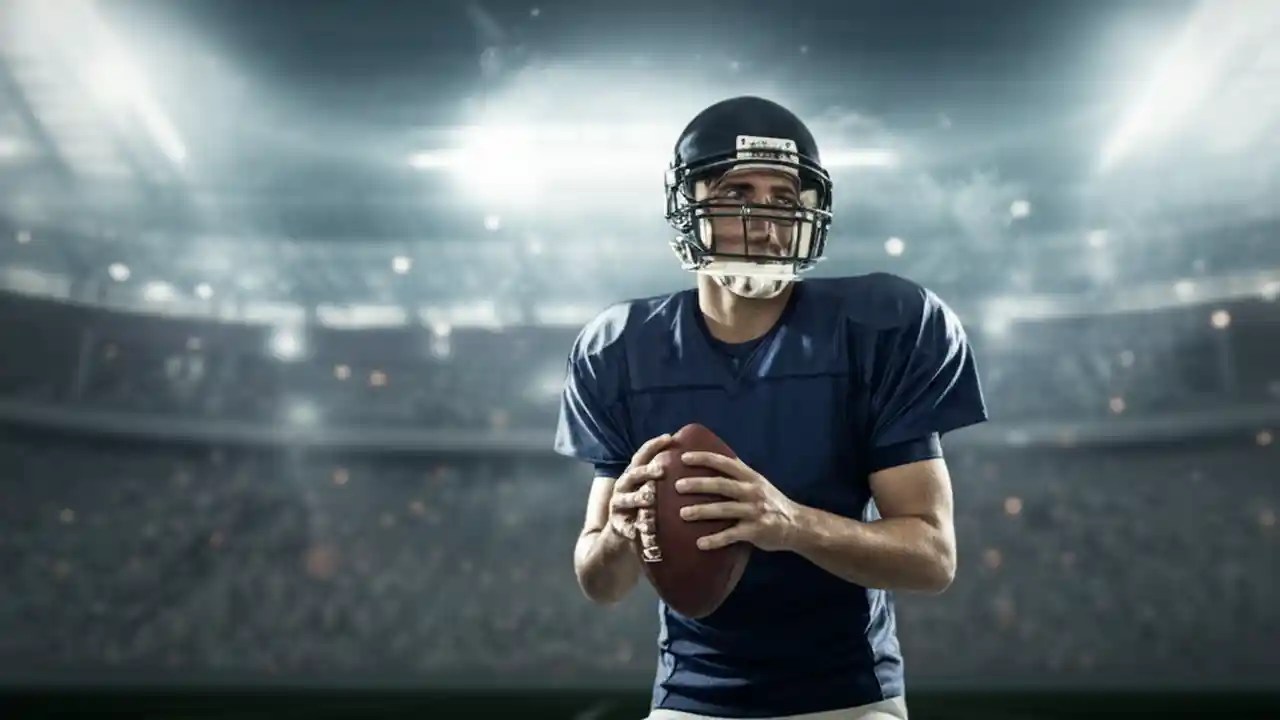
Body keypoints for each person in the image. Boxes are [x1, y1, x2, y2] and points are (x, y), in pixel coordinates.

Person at [554, 95, 988, 720]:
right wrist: (623, 535)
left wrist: (788, 523)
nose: (763, 219)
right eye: (737, 193)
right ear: (691, 208)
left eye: (784, 199)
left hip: (848, 698)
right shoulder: (620, 348)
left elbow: (931, 558)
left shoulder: (881, 328)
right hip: (690, 698)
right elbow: (601, 583)